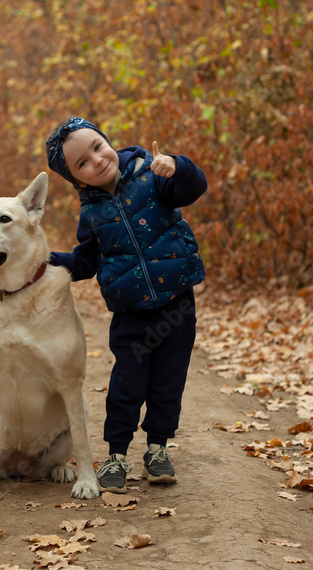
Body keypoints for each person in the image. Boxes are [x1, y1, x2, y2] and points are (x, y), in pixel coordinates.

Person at [44, 117, 207, 493]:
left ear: (107, 142)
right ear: (77, 180)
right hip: (131, 313)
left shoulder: (153, 177)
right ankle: (116, 454)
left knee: (168, 382)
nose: (97, 161)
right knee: (126, 386)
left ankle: (158, 450)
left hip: (177, 304)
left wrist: (177, 165)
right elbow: (86, 261)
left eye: (97, 147)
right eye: (82, 163)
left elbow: (195, 187)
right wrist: (46, 259)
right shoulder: (92, 214)